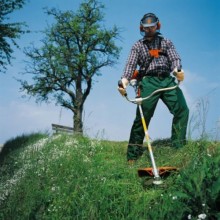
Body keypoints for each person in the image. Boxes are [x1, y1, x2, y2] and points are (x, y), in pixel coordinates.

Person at [118, 13, 189, 162]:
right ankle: (133, 155)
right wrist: (124, 80)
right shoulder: (138, 46)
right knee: (143, 117)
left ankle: (178, 147)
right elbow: (131, 64)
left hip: (167, 80)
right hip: (149, 82)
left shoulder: (166, 42)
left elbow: (174, 57)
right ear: (141, 28)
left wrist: (177, 70)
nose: (149, 30)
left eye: (152, 27)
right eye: (146, 28)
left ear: (158, 25)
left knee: (182, 110)